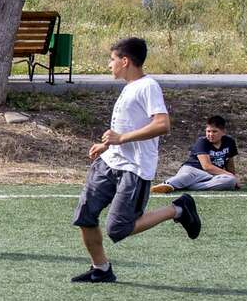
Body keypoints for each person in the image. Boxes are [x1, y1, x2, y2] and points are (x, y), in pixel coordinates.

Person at [70, 38, 202, 284]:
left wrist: (121, 139)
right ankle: (101, 268)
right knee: (85, 215)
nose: (109, 65)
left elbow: (162, 124)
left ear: (125, 60)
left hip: (135, 169)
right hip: (110, 162)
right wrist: (108, 144)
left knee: (118, 228)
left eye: (112, 59)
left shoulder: (147, 86)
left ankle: (179, 209)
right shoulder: (129, 86)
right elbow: (128, 125)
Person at [152, 115, 241, 193]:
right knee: (187, 176)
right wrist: (230, 175)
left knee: (230, 181)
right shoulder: (202, 142)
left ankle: (188, 186)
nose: (210, 134)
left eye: (214, 131)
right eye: (208, 131)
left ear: (223, 132)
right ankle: (167, 184)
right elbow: (207, 166)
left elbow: (230, 163)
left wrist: (233, 178)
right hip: (193, 171)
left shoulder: (229, 141)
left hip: (212, 176)